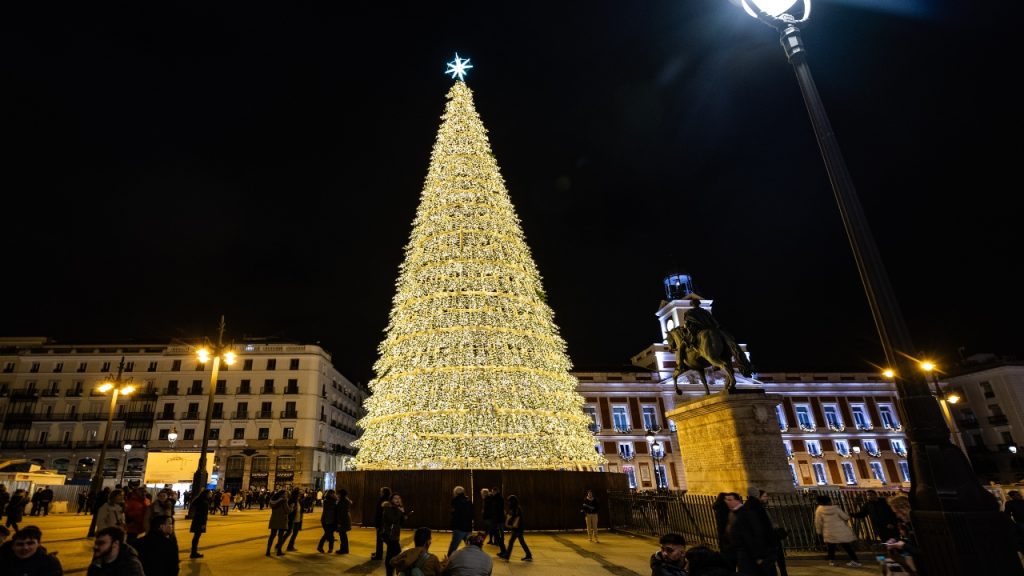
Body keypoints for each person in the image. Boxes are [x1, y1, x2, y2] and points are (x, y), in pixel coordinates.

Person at [727, 491, 777, 575]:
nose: (727, 502)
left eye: (729, 499)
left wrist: (758, 556)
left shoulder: (745, 512)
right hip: (745, 554)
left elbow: (754, 534)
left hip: (750, 555)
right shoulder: (734, 513)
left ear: (737, 500)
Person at [813, 494, 861, 568]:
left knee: (831, 547)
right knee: (847, 547)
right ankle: (855, 561)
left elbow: (818, 522)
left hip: (829, 531)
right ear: (829, 501)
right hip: (840, 531)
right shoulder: (835, 508)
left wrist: (819, 531)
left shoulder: (819, 510)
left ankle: (831, 561)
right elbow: (846, 517)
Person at [885, 495, 919, 573]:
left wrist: (903, 545)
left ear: (903, 510)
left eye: (897, 512)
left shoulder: (917, 524)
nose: (897, 516)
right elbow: (908, 539)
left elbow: (922, 552)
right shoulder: (908, 524)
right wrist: (896, 539)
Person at [381, 492, 409, 576]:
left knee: (393, 554)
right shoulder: (388, 508)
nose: (397, 500)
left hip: (395, 535)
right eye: (395, 498)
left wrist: (404, 515)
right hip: (388, 534)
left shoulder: (398, 509)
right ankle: (390, 573)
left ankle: (391, 572)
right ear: (391, 500)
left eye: (399, 498)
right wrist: (400, 512)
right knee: (394, 553)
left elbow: (401, 523)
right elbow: (393, 519)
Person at [499, 494, 531, 562]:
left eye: (509, 501)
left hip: (517, 528)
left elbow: (516, 518)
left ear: (513, 501)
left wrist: (510, 522)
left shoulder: (516, 508)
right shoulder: (516, 508)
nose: (508, 503)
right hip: (518, 528)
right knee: (522, 542)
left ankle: (507, 556)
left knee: (511, 542)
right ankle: (529, 555)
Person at [710, 493, 735, 570]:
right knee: (729, 557)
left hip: (722, 535)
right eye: (727, 499)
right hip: (726, 536)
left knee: (726, 555)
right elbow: (725, 523)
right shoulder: (723, 509)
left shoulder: (719, 508)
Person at [447, 486, 474, 558]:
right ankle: (474, 560)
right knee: (471, 546)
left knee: (453, 546)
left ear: (456, 493)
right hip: (468, 527)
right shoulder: (468, 501)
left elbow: (454, 513)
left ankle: (448, 561)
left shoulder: (455, 501)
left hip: (459, 527)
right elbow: (472, 513)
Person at [266, 489, 291, 556]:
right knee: (280, 536)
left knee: (272, 536)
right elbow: (287, 511)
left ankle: (268, 551)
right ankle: (279, 551)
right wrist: (291, 508)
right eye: (285, 494)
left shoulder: (273, 501)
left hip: (274, 519)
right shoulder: (283, 501)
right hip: (281, 520)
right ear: (282, 494)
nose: (286, 495)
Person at [188, 489, 211, 559]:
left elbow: (193, 505)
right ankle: (194, 553)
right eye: (209, 493)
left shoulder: (199, 500)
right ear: (206, 494)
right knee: (197, 537)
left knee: (196, 536)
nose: (210, 495)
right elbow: (204, 514)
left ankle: (193, 552)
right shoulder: (204, 502)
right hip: (200, 521)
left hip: (196, 519)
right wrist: (203, 524)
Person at [371, 486, 393, 561]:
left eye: (381, 491)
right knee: (384, 538)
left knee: (380, 539)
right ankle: (379, 553)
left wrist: (377, 524)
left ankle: (378, 555)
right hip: (386, 523)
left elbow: (379, 513)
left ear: (383, 492)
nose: (380, 492)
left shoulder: (381, 500)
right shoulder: (390, 500)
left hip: (381, 523)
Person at [483, 486, 506, 556]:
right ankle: (503, 550)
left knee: (498, 533)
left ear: (496, 491)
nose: (492, 493)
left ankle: (504, 551)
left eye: (493, 492)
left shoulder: (498, 499)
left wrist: (494, 517)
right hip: (496, 519)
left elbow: (497, 509)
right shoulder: (496, 498)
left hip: (497, 519)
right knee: (497, 534)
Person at [317, 489, 338, 553]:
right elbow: (330, 508)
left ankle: (329, 548)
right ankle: (321, 547)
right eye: (333, 493)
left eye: (334, 493)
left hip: (331, 520)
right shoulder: (326, 501)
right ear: (330, 494)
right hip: (326, 520)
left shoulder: (334, 501)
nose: (334, 494)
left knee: (330, 534)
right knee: (327, 534)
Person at [1004, 489, 1024, 555]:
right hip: (1021, 523)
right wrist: (1013, 524)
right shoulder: (1010, 503)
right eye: (1018, 494)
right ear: (1013, 496)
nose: (1020, 495)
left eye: (1019, 494)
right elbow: (1007, 514)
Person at [336, 488, 352, 554]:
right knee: (343, 535)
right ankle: (344, 549)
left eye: (338, 493)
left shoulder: (342, 501)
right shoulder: (345, 500)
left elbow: (341, 512)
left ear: (341, 494)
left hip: (343, 520)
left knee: (342, 535)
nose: (337, 495)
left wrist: (339, 522)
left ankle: (343, 550)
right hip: (345, 519)